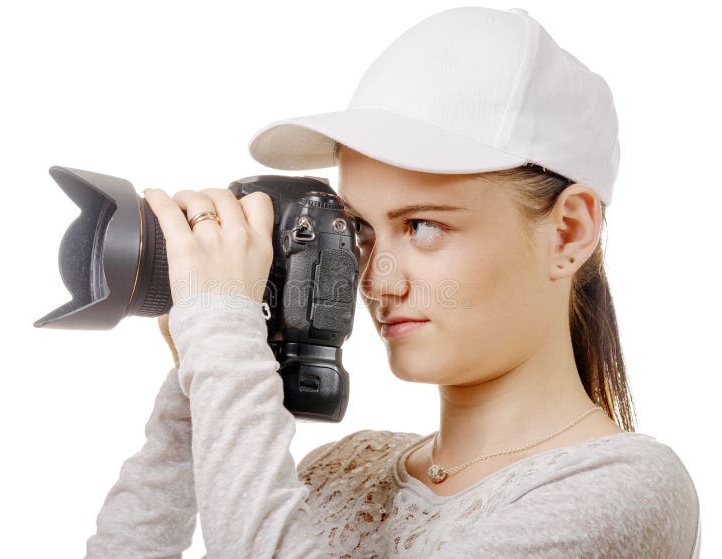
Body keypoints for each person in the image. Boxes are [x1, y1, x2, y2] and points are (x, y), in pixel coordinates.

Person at [84, 7, 701, 558]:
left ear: (568, 232)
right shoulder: (340, 472)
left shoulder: (628, 487)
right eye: (359, 230)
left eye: (424, 226)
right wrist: (203, 367)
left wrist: (223, 337)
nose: (376, 281)